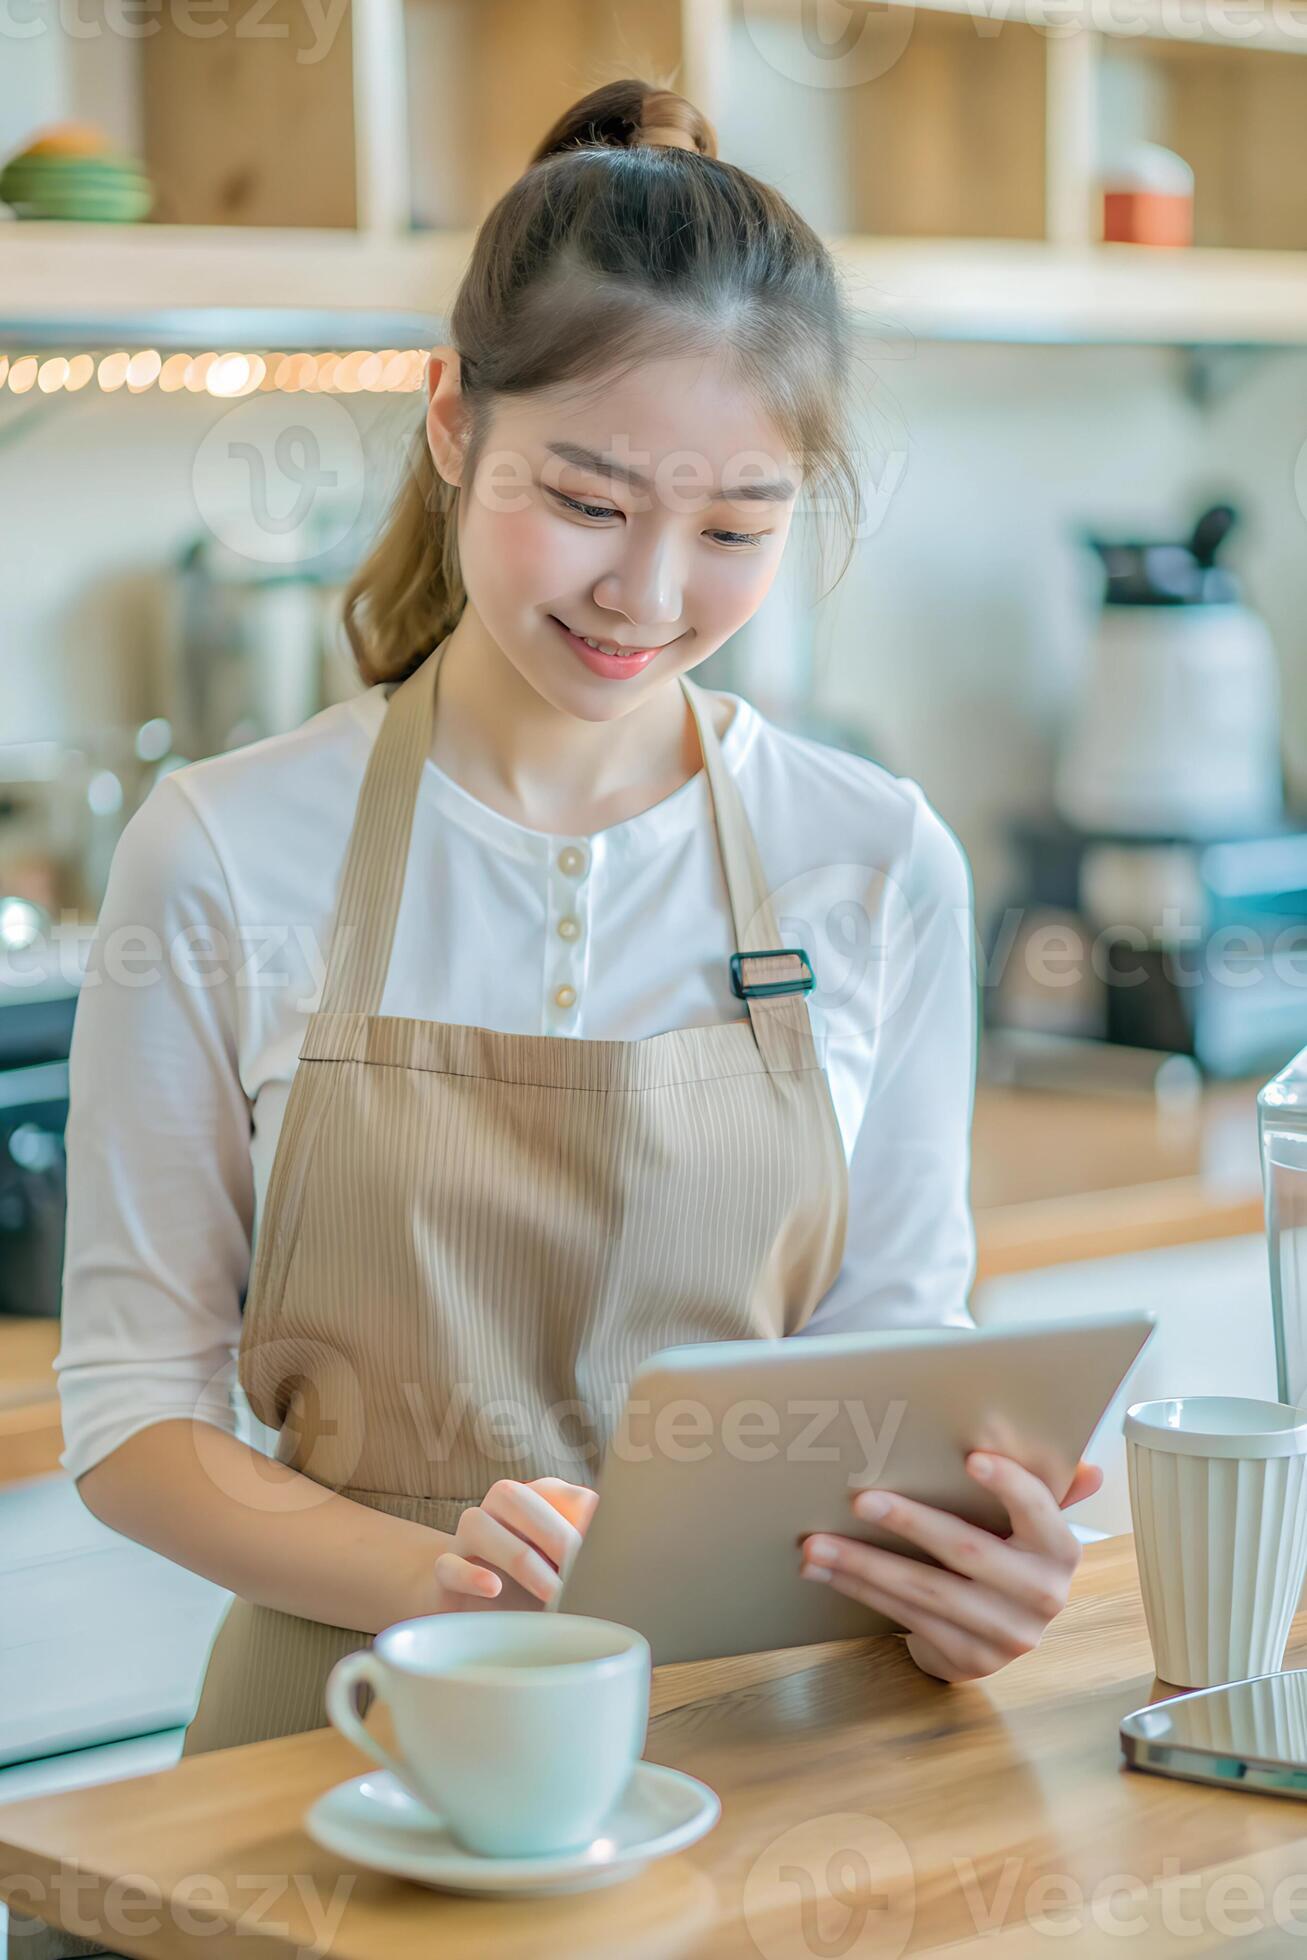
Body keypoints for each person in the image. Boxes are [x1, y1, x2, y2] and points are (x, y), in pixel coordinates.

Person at [22, 72, 1105, 1960]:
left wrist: (964, 1571)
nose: (650, 594)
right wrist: (438, 1573)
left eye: (739, 529)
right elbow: (129, 1414)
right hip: (331, 1759)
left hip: (765, 1776)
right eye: (586, 500)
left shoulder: (874, 860)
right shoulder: (222, 853)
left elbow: (889, 1363)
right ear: (453, 423)